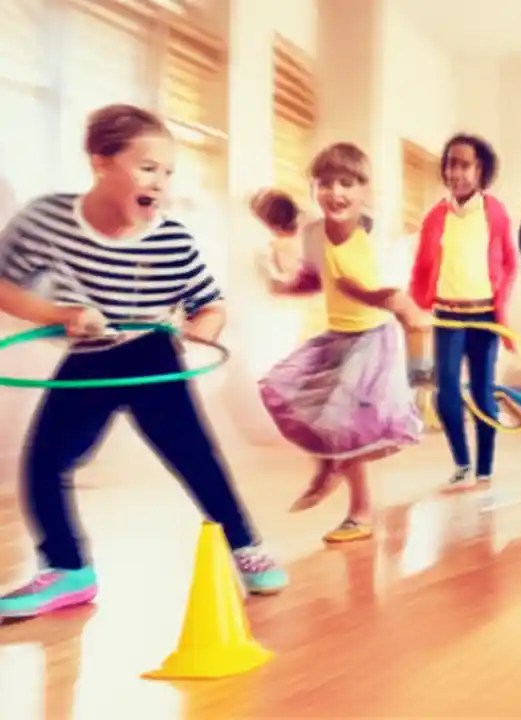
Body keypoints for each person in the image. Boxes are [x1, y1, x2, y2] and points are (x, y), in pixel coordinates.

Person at [0, 104, 288, 618]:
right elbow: (4, 285)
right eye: (148, 167)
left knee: (197, 461)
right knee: (43, 463)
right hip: (90, 357)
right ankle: (68, 570)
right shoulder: (47, 220)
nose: (161, 182)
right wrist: (61, 313)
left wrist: (199, 336)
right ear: (101, 162)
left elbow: (210, 304)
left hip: (153, 356)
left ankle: (247, 547)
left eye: (169, 172)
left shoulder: (171, 238)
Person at [256, 142, 429, 543]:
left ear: (364, 190)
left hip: (369, 340)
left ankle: (361, 512)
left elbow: (370, 291)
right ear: (314, 188)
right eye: (326, 183)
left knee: (344, 422)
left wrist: (404, 307)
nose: (336, 193)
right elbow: (321, 278)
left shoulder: (364, 240)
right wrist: (288, 286)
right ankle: (328, 466)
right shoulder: (314, 232)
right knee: (285, 387)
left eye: (347, 184)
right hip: (338, 335)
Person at [408, 133, 517, 486]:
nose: (456, 171)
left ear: (480, 169)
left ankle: (485, 466)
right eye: (450, 164)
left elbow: (509, 262)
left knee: (484, 393)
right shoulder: (435, 217)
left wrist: (501, 301)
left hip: (484, 317)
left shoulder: (495, 212)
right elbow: (422, 267)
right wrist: (416, 306)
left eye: (464, 164)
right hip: (447, 316)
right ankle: (462, 462)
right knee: (447, 393)